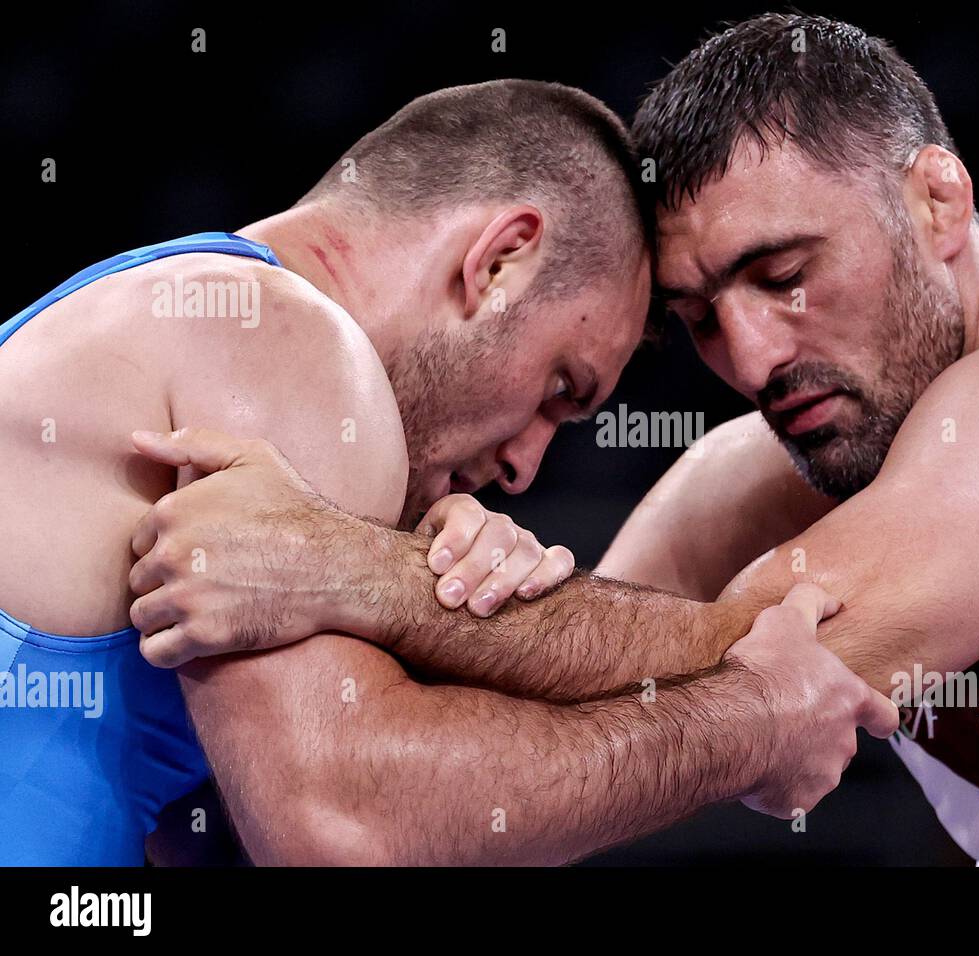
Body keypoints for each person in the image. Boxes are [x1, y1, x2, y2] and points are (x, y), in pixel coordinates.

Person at [135, 15, 979, 866]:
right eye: (698, 319)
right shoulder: (768, 468)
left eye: (784, 276)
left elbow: (769, 662)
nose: (748, 360)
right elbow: (552, 724)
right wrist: (471, 564)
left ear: (938, 203)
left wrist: (355, 566)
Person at [0, 77, 889, 865]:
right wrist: (750, 726)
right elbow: (345, 833)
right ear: (501, 258)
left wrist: (431, 625)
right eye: (558, 389)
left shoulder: (161, 307)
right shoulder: (283, 343)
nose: (523, 467)